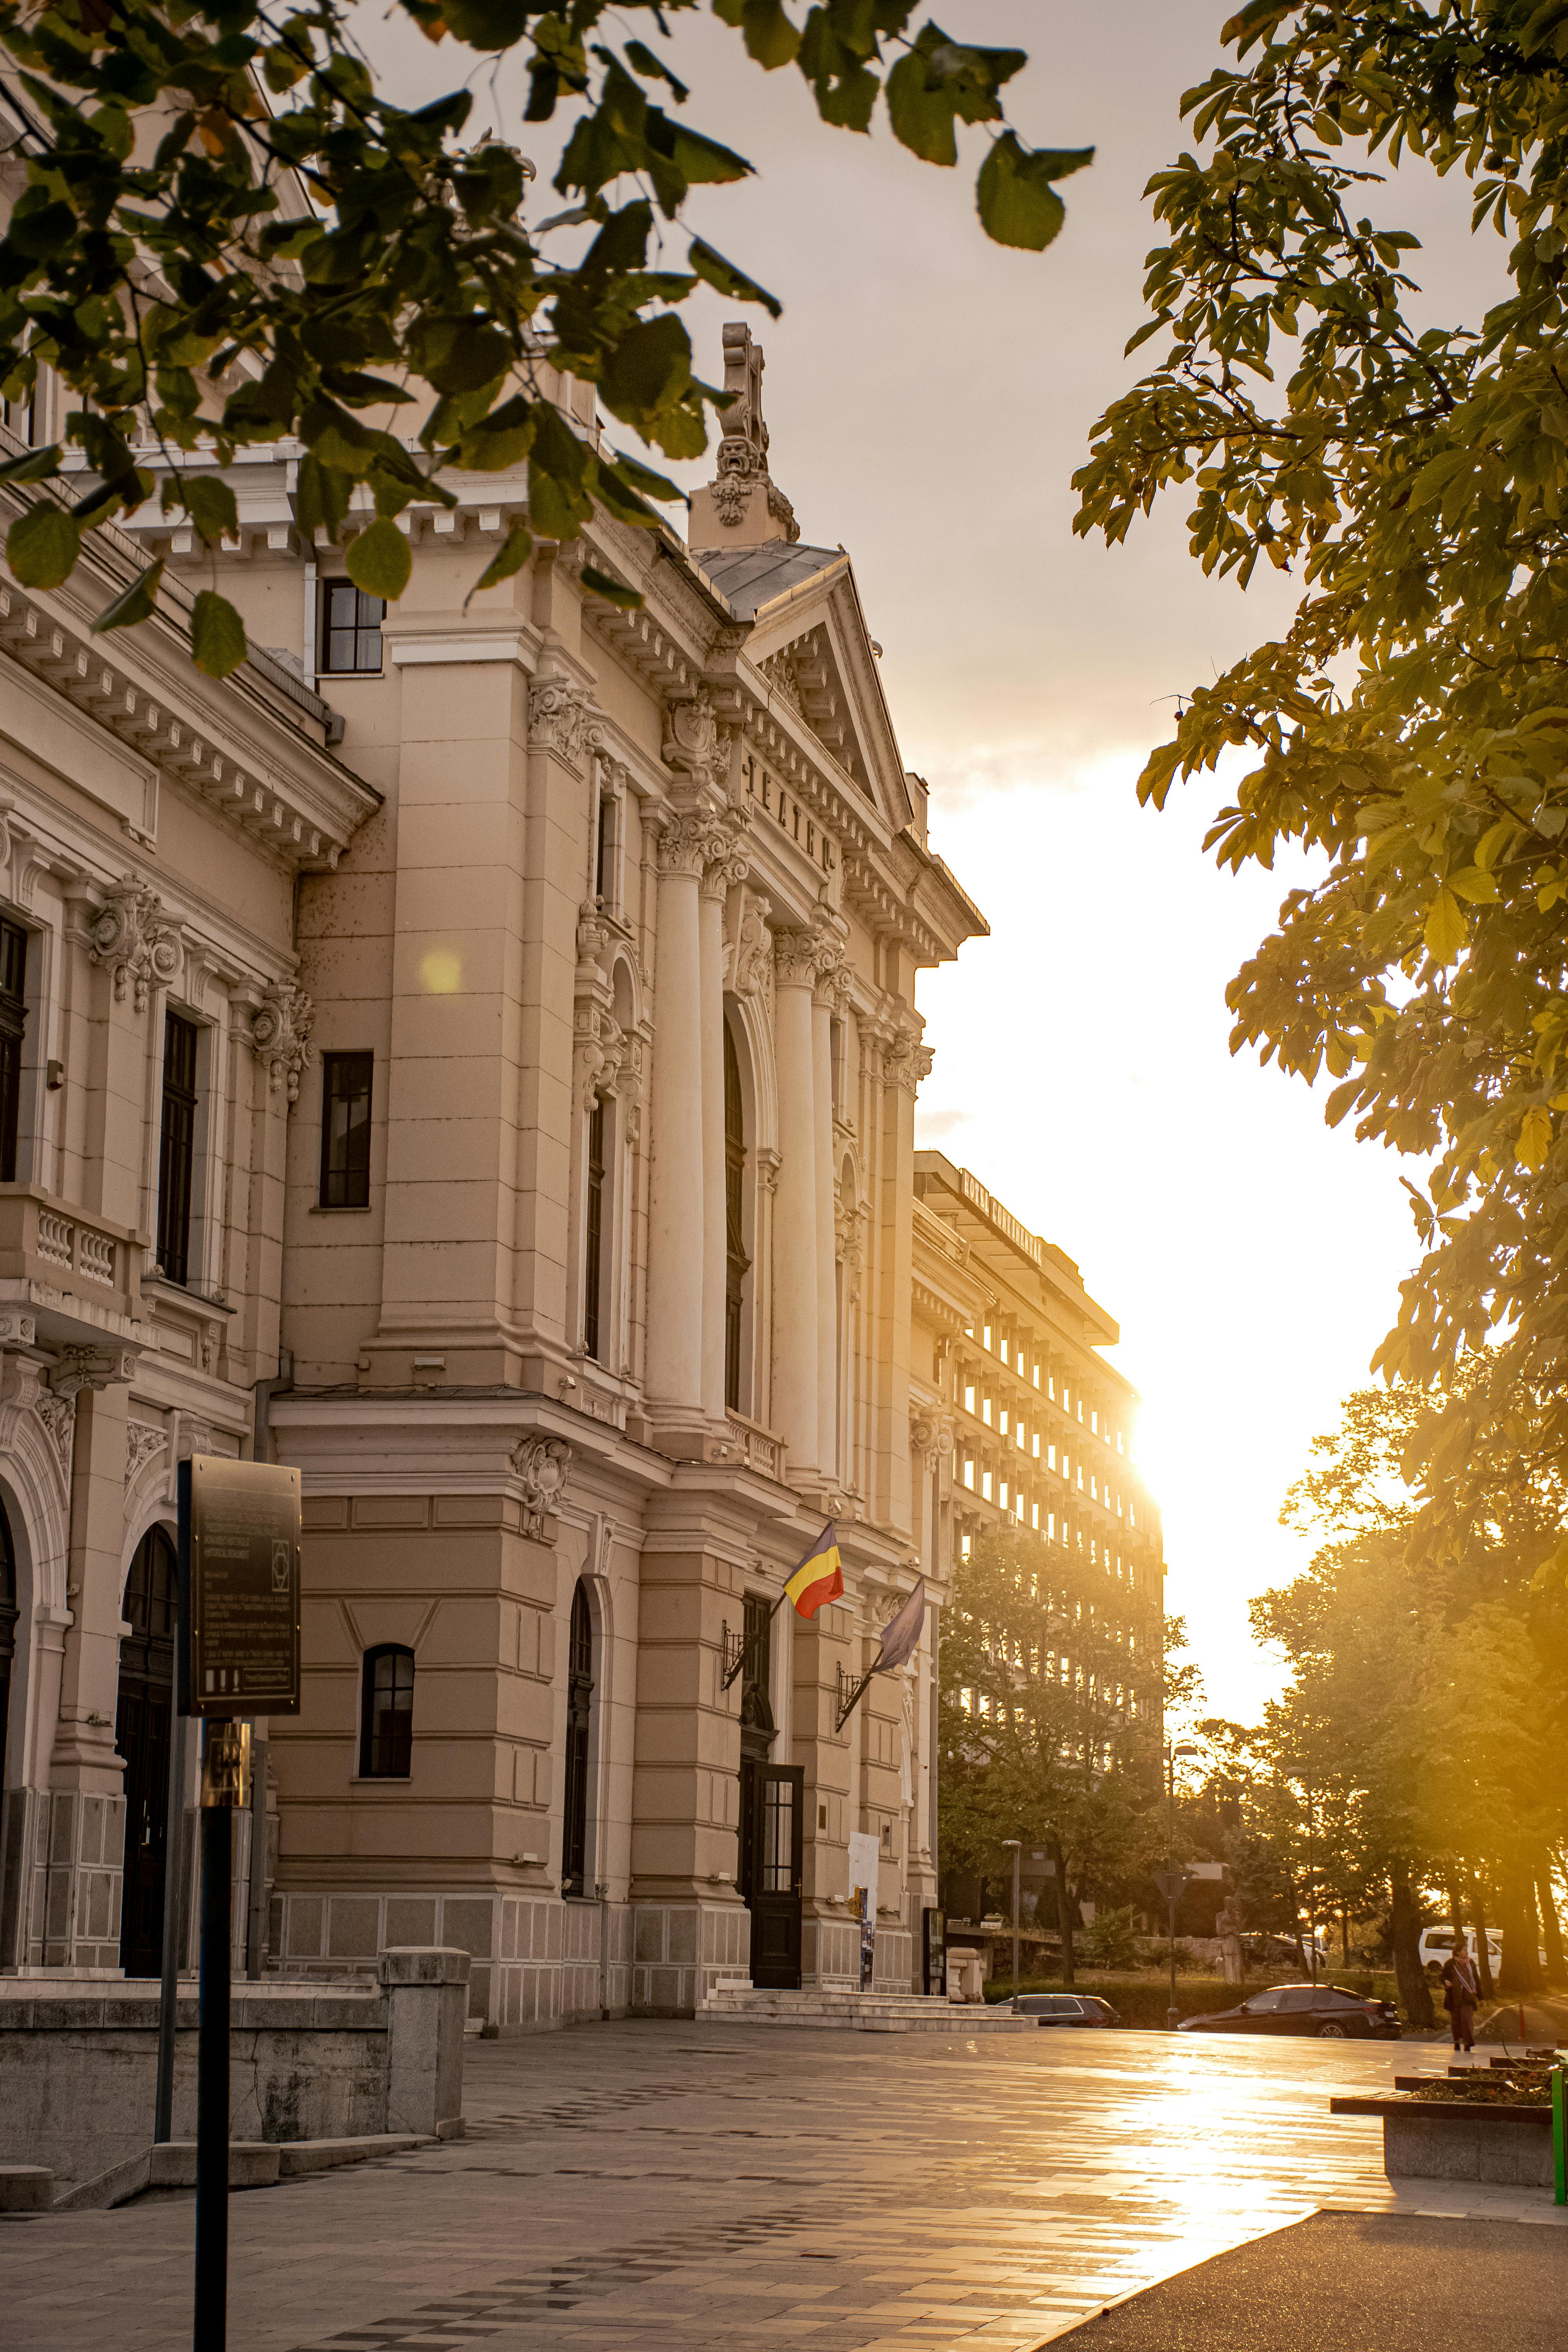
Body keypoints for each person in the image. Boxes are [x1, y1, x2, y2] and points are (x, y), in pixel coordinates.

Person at [1441, 1936, 1481, 2053]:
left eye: (1467, 1950)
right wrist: (1446, 1982)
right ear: (1458, 1952)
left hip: (1468, 1997)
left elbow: (1476, 1979)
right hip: (1454, 1996)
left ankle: (1468, 2042)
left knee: (1467, 2019)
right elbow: (1443, 1977)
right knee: (1456, 2020)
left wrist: (1480, 1996)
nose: (1466, 1952)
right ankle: (1457, 2041)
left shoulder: (1471, 1963)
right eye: (1464, 1950)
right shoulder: (1450, 1964)